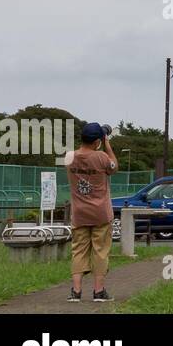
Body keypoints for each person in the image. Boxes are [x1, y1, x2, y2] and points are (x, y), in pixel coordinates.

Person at [66, 122, 119, 302]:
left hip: (79, 212)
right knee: (100, 251)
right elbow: (114, 167)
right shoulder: (102, 157)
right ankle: (99, 291)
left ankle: (75, 292)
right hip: (100, 213)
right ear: (97, 141)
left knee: (78, 250)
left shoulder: (69, 157)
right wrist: (107, 144)